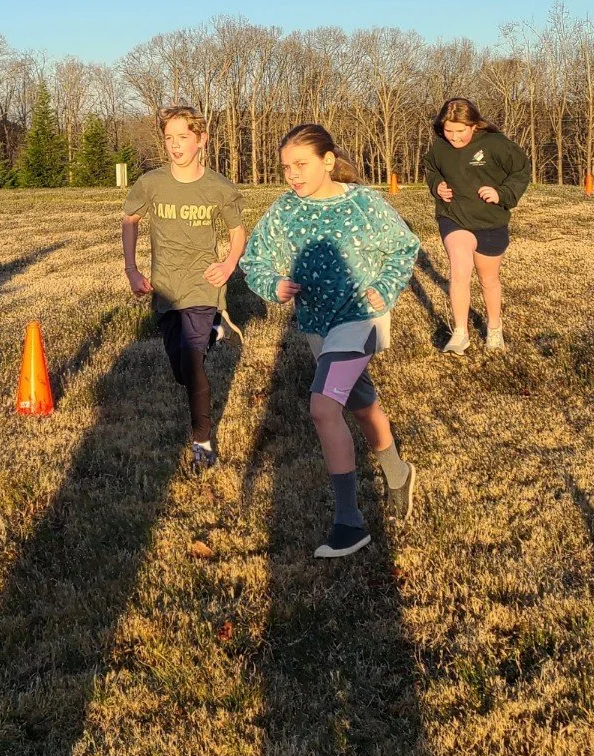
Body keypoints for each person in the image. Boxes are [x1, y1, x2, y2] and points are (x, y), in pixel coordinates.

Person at [241, 123, 418, 559]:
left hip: (361, 320)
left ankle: (349, 523)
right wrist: (273, 285)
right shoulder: (284, 210)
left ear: (328, 161)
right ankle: (397, 472)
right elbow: (254, 259)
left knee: (323, 408)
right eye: (286, 168)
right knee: (359, 400)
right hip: (316, 324)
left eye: (301, 165)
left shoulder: (363, 203)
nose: (293, 175)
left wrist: (386, 286)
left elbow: (404, 248)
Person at [122, 106, 246, 470]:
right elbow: (130, 219)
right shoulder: (151, 183)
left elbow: (237, 232)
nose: (175, 145)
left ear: (201, 140)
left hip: (201, 285)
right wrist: (132, 270)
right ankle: (216, 331)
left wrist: (228, 264)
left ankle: (202, 442)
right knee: (180, 369)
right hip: (165, 287)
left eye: (183, 137)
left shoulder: (219, 187)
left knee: (192, 365)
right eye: (169, 138)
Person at [423, 96, 531, 355]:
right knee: (459, 270)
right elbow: (431, 169)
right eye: (448, 130)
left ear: (474, 125)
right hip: (454, 216)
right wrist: (437, 186)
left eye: (460, 131)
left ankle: (494, 329)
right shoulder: (440, 148)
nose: (454, 137)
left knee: (488, 279)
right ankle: (460, 333)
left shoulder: (495, 144)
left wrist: (502, 194)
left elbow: (521, 170)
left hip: (490, 220)